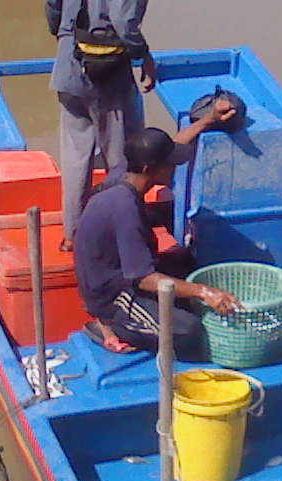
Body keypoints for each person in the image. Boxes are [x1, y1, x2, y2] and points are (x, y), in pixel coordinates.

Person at [44, 0, 159, 250]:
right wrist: (145, 56)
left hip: (68, 69)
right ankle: (112, 236)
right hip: (106, 77)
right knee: (120, 160)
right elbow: (126, 25)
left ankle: (73, 235)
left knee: (76, 157)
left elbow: (52, 2)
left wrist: (67, 42)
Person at [73, 123, 243, 357]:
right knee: (189, 332)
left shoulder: (126, 173)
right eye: (169, 164)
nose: (174, 167)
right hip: (113, 296)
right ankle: (112, 327)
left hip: (122, 269)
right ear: (150, 168)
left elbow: (176, 143)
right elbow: (143, 278)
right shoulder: (125, 207)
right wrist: (204, 292)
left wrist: (207, 119)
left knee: (189, 259)